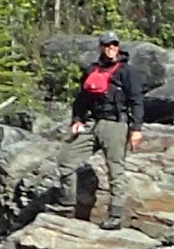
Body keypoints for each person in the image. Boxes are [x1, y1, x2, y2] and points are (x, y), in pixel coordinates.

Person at [54, 32, 144, 229]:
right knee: (65, 161)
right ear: (101, 47)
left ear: (118, 47)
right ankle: (66, 206)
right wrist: (77, 119)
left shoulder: (127, 72)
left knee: (115, 170)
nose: (111, 48)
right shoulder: (92, 70)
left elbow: (137, 100)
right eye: (107, 44)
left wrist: (136, 128)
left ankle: (115, 215)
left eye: (114, 44)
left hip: (116, 125)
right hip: (92, 123)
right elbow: (81, 99)